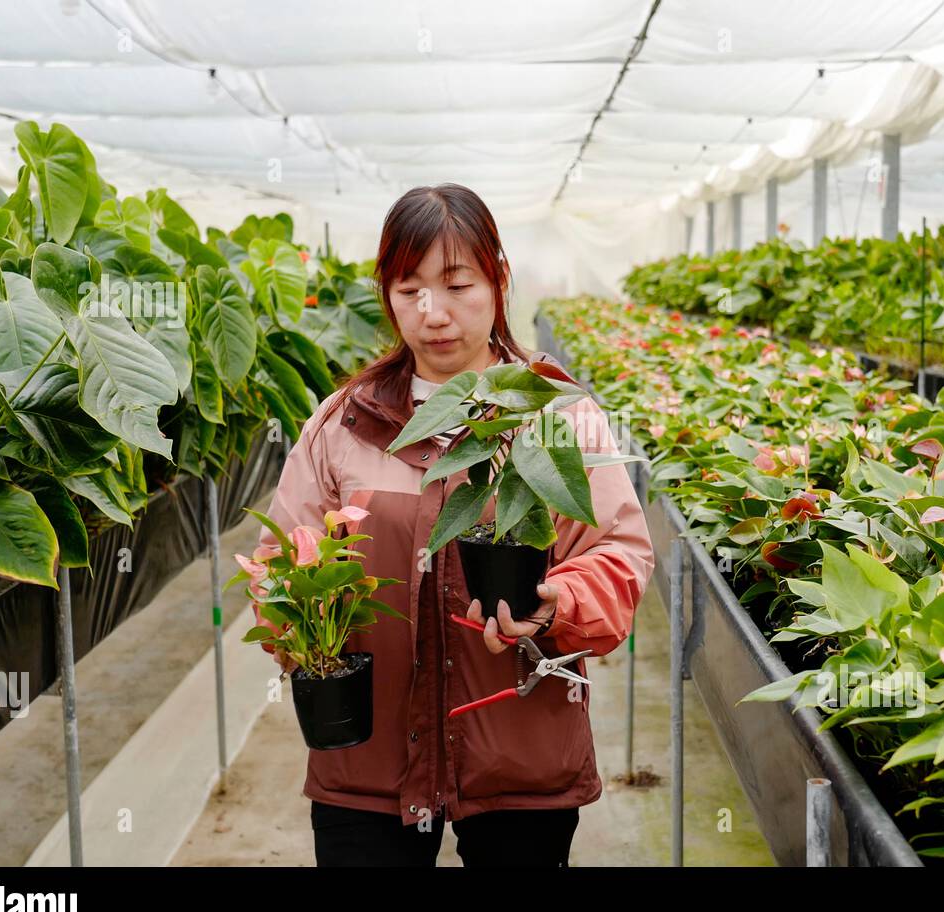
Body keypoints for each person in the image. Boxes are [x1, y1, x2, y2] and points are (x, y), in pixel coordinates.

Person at [252, 183, 655, 866]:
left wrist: (562, 601)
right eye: (408, 290)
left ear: (499, 281)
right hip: (367, 761)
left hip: (519, 761)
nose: (432, 313)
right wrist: (295, 627)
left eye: (457, 284)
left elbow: (619, 552)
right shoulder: (343, 422)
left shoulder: (554, 416)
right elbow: (279, 557)